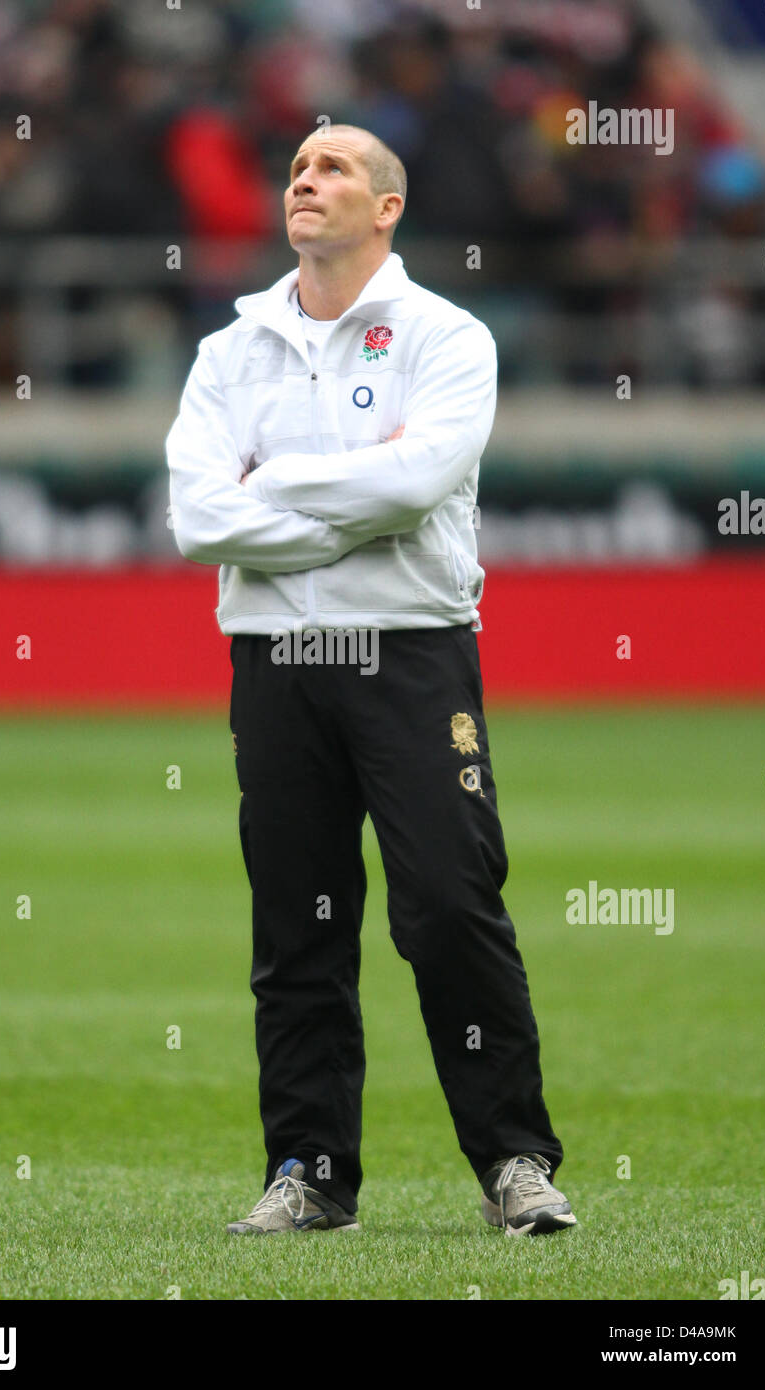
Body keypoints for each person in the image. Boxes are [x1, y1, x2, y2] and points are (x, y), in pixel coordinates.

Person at [166, 124, 576, 1238]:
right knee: (298, 923)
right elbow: (201, 518)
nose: (306, 179)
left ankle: (515, 1162)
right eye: (297, 167)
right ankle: (309, 1173)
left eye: (335, 167)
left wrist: (281, 484)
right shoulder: (229, 351)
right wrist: (345, 498)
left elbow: (418, 483)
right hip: (276, 659)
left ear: (387, 206)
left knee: (448, 903)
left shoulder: (447, 336)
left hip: (409, 650)